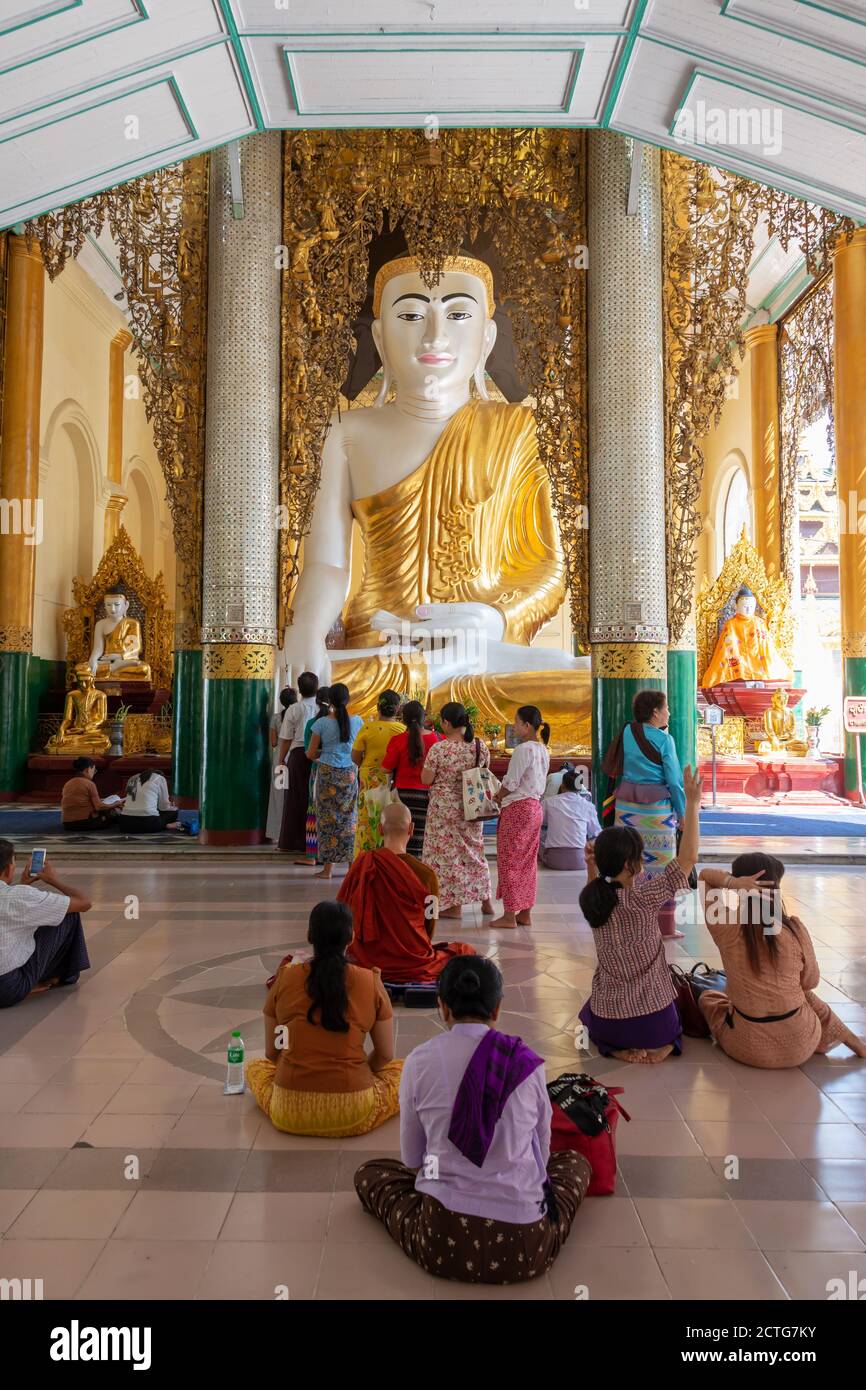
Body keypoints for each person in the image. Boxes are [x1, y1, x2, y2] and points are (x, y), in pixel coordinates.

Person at [354, 955, 591, 1284]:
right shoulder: (527, 1063)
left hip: (441, 1242)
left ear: (443, 1007)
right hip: (525, 1249)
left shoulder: (418, 1062)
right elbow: (543, 1150)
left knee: (371, 1174)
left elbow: (412, 1158)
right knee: (576, 1164)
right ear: (496, 1009)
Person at [577, 764, 702, 1064]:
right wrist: (694, 804)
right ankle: (665, 1047)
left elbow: (596, 886)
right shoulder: (644, 897)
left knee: (586, 1015)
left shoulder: (593, 900)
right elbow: (689, 858)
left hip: (610, 1022)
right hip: (653, 1023)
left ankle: (617, 1049)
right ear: (632, 865)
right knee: (677, 1022)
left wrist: (591, 866)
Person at [246, 900, 403, 1137]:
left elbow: (272, 1052)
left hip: (288, 1109)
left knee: (255, 1066)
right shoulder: (370, 981)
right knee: (402, 1069)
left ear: (310, 936)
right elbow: (385, 1054)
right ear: (351, 936)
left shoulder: (286, 978)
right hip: (355, 1108)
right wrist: (363, 1074)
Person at [697, 854, 866, 1066]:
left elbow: (704, 876)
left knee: (708, 998)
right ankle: (852, 1042)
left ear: (740, 885)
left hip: (745, 1046)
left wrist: (732, 883)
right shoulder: (794, 930)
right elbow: (809, 982)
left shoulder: (724, 926)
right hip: (802, 1042)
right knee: (803, 994)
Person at [338, 802, 475, 982]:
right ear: (411, 829)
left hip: (366, 961)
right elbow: (430, 924)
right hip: (413, 960)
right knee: (464, 951)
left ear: (379, 829)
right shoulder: (427, 875)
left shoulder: (362, 867)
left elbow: (343, 914)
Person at [603, 689, 687, 939]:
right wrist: (683, 813)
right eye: (666, 707)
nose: (669, 712)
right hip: (656, 813)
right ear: (655, 712)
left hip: (626, 809)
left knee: (627, 862)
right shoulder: (665, 740)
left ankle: (627, 919)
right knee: (661, 868)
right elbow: (673, 781)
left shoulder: (628, 732)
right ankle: (664, 926)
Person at [421, 702, 494, 920]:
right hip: (472, 807)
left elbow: (426, 779)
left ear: (446, 722)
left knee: (442, 857)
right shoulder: (480, 746)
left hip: (443, 810)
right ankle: (486, 901)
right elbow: (485, 772)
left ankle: (452, 907)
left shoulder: (439, 749)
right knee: (474, 853)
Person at [0, 842, 92, 1007]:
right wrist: (53, 880)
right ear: (8, 869)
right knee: (67, 915)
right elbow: (84, 902)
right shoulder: (20, 896)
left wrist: (22, 885)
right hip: (6, 989)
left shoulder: (17, 895)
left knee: (40, 916)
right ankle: (63, 975)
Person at [492, 705, 550, 929]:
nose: (513, 726)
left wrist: (498, 796)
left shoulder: (523, 750)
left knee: (509, 860)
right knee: (527, 861)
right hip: (534, 807)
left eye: (516, 722)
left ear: (527, 726)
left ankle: (509, 915)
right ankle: (525, 912)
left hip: (517, 808)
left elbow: (512, 782)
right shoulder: (543, 749)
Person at [307, 683, 363, 880]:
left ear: (329, 701)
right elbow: (360, 752)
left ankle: (328, 870)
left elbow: (311, 753)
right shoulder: (357, 722)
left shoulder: (321, 723)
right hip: (349, 772)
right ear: (348, 700)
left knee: (327, 819)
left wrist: (322, 755)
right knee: (349, 818)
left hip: (327, 772)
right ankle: (352, 868)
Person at [381, 699, 442, 856]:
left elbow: (386, 768)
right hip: (428, 795)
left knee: (400, 838)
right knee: (423, 837)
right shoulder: (438, 739)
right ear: (424, 717)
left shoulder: (398, 740)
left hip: (403, 796)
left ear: (403, 719)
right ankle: (420, 872)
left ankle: (401, 872)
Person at [351, 689, 404, 855]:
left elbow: (355, 755)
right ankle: (388, 854)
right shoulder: (402, 729)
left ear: (377, 707)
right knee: (391, 819)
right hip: (392, 777)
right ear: (398, 708)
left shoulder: (367, 727)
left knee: (366, 819)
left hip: (368, 775)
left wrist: (366, 766)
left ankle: (364, 856)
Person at [277, 671, 320, 854]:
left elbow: (286, 738)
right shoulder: (322, 709)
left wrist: (281, 760)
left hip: (297, 755)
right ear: (317, 687)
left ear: (299, 689)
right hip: (318, 755)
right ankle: (313, 843)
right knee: (314, 797)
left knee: (295, 798)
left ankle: (292, 842)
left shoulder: (294, 709)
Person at [294, 685, 331, 867]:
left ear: (317, 701)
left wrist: (321, 753)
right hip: (340, 770)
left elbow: (310, 752)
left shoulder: (313, 724)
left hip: (318, 771)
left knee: (314, 810)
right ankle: (332, 855)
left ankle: (311, 855)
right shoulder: (344, 723)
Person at [540, 769, 601, 870]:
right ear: (580, 788)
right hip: (581, 861)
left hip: (553, 861)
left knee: (538, 832)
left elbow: (540, 823)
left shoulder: (548, 803)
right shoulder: (588, 806)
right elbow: (596, 833)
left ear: (562, 786)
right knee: (594, 838)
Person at [266, 686, 296, 843]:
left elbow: (273, 743)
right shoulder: (297, 715)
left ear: (281, 701)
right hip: (294, 757)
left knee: (279, 795)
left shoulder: (276, 718)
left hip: (279, 760)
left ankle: (277, 834)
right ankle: (292, 834)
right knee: (293, 795)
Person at [60, 757, 119, 831]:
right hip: (84, 823)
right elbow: (99, 807)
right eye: (94, 770)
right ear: (87, 770)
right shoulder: (89, 784)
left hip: (67, 824)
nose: (94, 773)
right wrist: (115, 804)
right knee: (111, 814)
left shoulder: (68, 783)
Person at [118, 769, 181, 833]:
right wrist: (171, 805)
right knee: (174, 811)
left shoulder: (133, 778)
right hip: (149, 824)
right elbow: (164, 807)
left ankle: (163, 825)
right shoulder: (160, 778)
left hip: (125, 824)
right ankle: (166, 826)